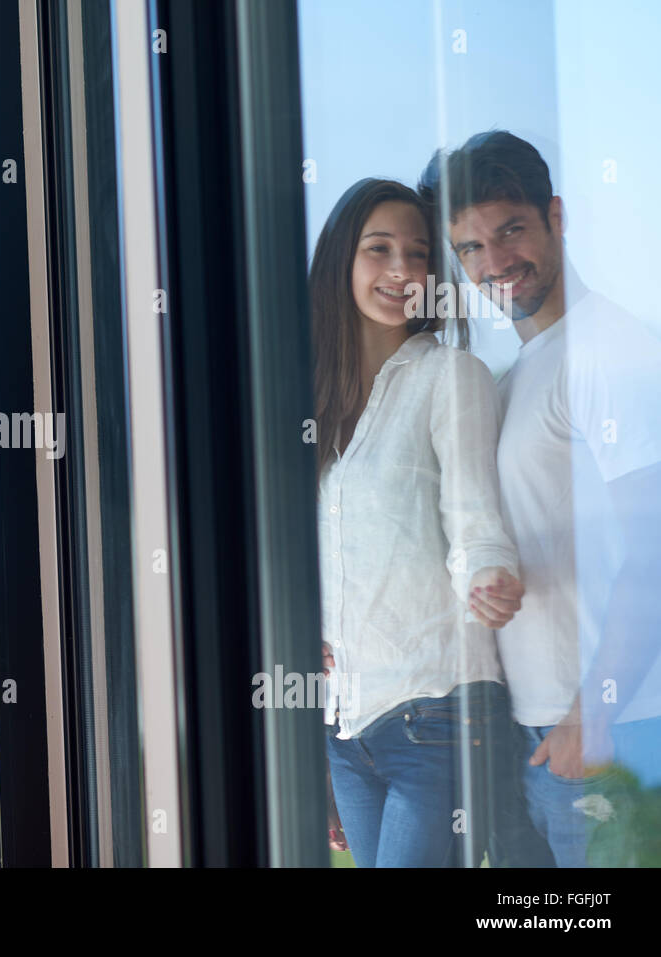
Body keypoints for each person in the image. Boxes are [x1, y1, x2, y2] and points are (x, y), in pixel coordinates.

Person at [421, 131, 661, 867]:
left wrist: (595, 714)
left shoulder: (609, 349)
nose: (494, 262)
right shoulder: (518, 371)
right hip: (540, 734)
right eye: (469, 248)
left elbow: (654, 546)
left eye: (511, 230)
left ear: (556, 215)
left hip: (614, 731)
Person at [311, 177, 524, 867]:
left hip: (441, 716)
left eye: (419, 252)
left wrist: (490, 575)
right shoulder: (316, 407)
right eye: (379, 249)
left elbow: (475, 519)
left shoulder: (451, 375)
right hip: (347, 729)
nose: (402, 270)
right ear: (343, 260)